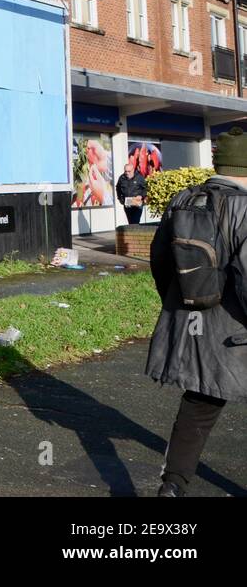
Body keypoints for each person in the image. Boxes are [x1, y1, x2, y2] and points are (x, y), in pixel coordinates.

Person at [145, 127, 247, 496]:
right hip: (238, 329)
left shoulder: (182, 200)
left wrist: (179, 305)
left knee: (199, 403)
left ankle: (172, 487)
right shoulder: (244, 208)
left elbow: (160, 261)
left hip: (196, 322)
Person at [116, 157, 147, 224]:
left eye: (129, 171)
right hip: (128, 202)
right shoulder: (122, 178)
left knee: (135, 221)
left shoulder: (139, 177)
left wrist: (142, 196)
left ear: (133, 170)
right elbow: (118, 188)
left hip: (137, 202)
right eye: (125, 171)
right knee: (130, 222)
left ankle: (136, 234)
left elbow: (146, 188)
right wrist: (120, 199)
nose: (127, 173)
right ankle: (133, 233)